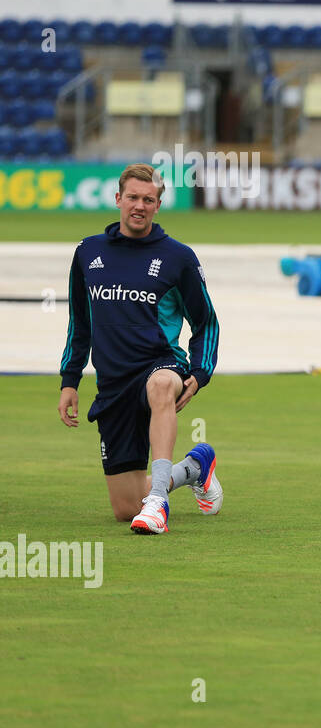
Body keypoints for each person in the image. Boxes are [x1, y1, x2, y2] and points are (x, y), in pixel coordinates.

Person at [58, 163, 222, 534]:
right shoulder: (88, 252)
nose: (139, 205)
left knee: (162, 385)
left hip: (159, 363)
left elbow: (206, 322)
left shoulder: (178, 258)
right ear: (118, 199)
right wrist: (70, 380)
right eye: (132, 197)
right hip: (112, 384)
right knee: (125, 508)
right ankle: (194, 467)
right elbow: (79, 322)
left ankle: (159, 504)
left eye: (149, 199)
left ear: (158, 206)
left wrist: (198, 374)